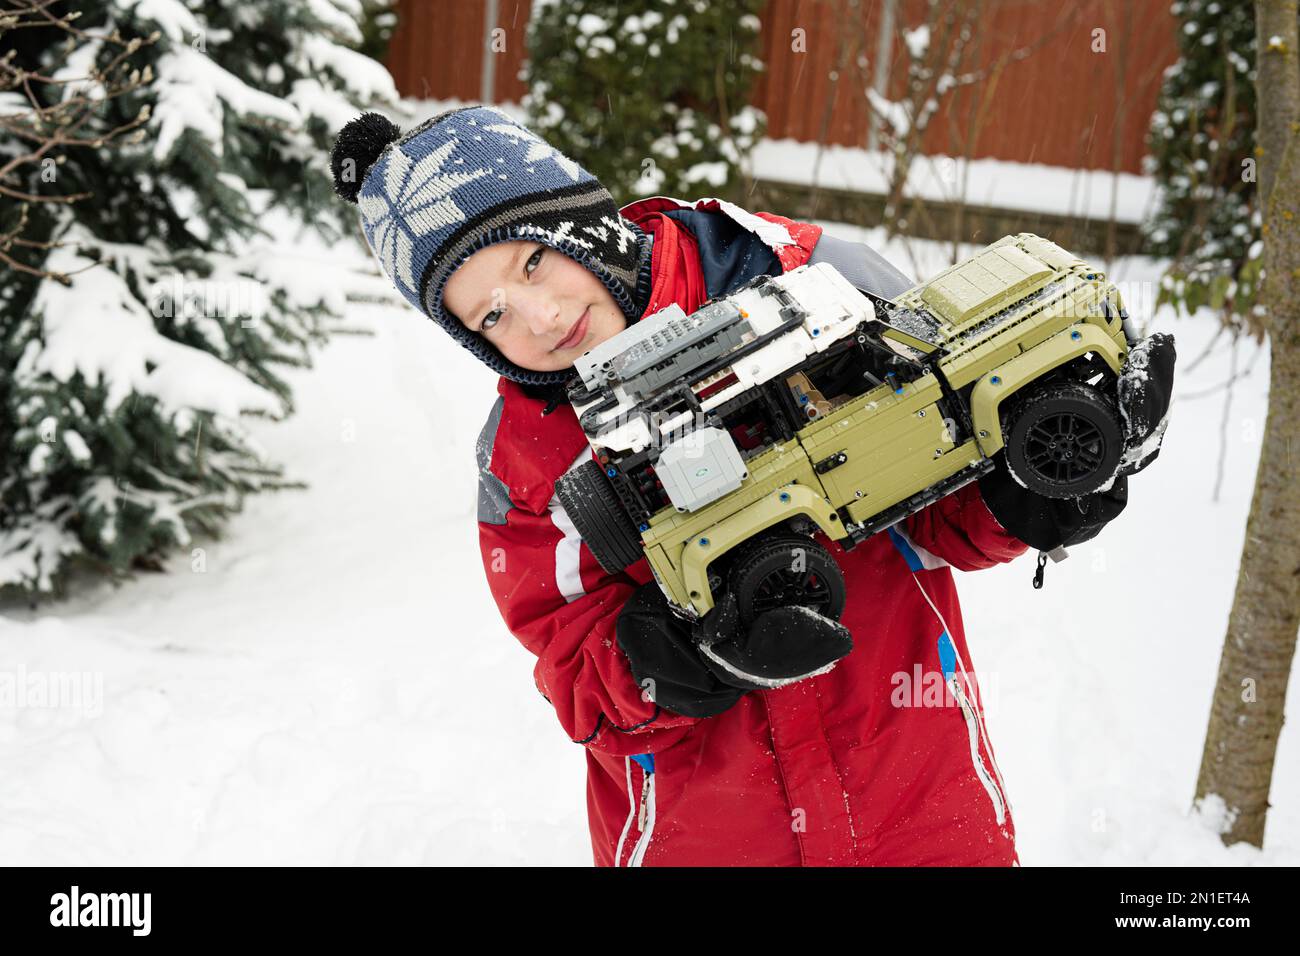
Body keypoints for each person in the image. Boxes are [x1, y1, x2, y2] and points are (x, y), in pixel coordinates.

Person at [330, 104, 1176, 866]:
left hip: (916, 806)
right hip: (703, 837)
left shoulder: (800, 271)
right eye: (490, 318)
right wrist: (675, 656)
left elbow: (929, 460)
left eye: (536, 261)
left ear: (580, 217)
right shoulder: (526, 458)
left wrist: (1028, 496)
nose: (540, 318)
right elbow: (571, 663)